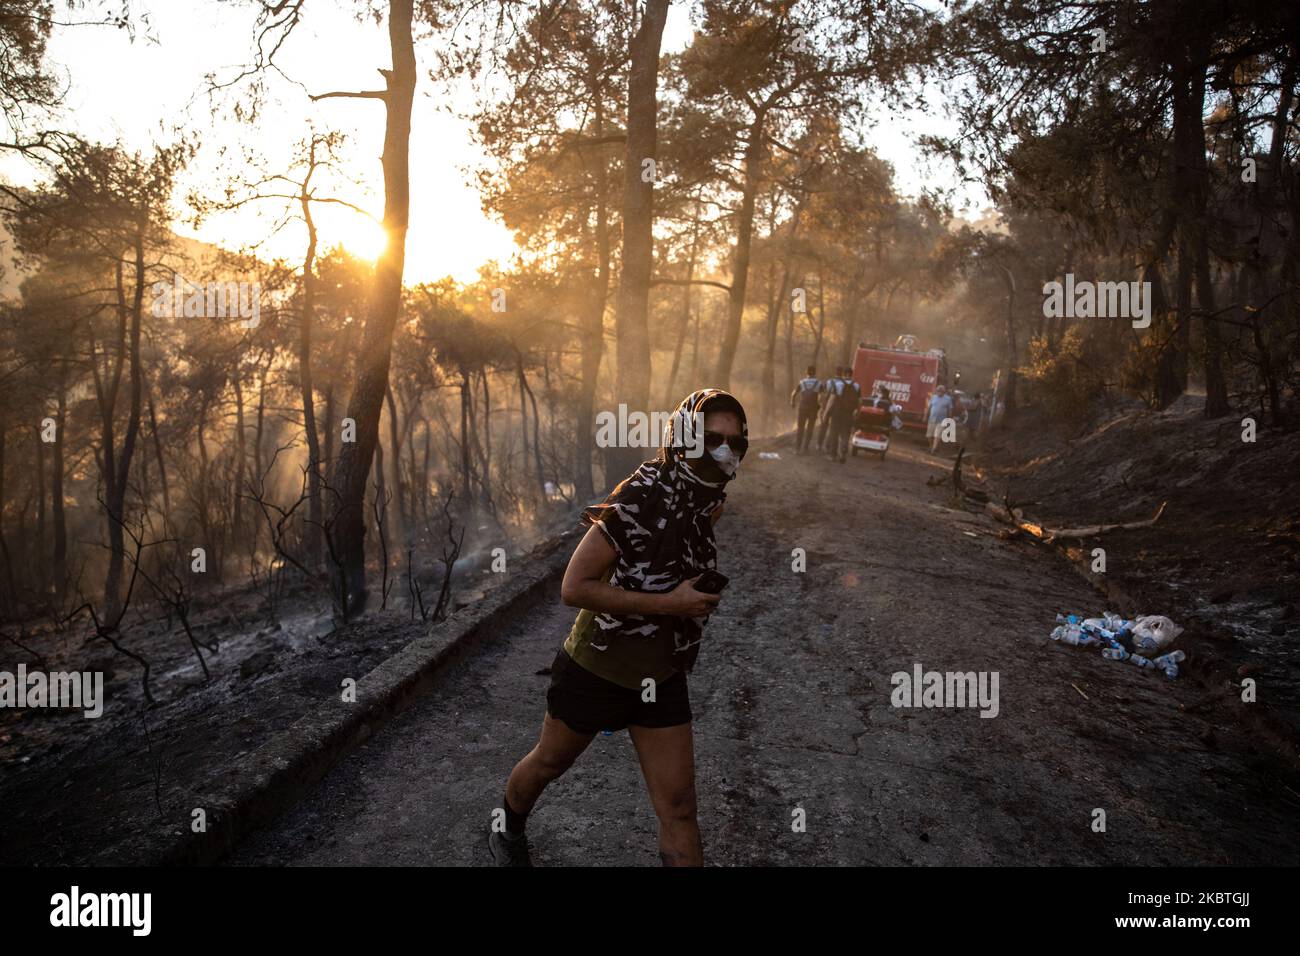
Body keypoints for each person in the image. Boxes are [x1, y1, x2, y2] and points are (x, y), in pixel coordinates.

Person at [488, 388, 748, 867]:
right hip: (597, 666)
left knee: (679, 809)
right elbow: (574, 587)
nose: (724, 453)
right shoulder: (640, 495)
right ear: (684, 438)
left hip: (661, 675)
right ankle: (506, 826)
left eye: (735, 444)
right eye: (712, 439)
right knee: (549, 763)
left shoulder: (702, 501)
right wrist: (672, 604)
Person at [827, 370, 860, 463]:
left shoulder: (838, 384)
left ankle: (833, 456)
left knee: (834, 433)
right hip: (849, 414)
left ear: (844, 374)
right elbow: (860, 401)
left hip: (837, 413)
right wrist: (858, 412)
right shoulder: (856, 386)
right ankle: (843, 452)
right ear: (851, 374)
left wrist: (826, 412)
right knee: (845, 434)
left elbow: (832, 399)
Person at [790, 365, 821, 455]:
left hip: (802, 408)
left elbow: (793, 394)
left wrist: (792, 403)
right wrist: (820, 404)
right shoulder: (818, 383)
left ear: (806, 372)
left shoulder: (802, 382)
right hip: (813, 409)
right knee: (810, 429)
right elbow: (823, 396)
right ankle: (805, 448)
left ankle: (797, 449)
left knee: (800, 429)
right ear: (815, 373)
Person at [816, 366, 844, 451]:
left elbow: (821, 393)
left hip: (826, 406)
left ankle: (819, 444)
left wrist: (821, 404)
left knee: (823, 426)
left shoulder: (829, 381)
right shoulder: (844, 383)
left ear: (835, 372)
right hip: (837, 407)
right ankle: (827, 445)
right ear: (842, 373)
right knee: (833, 428)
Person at [926, 383, 955, 455]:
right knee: (929, 435)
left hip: (942, 420)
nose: (939, 392)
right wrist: (925, 415)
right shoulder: (933, 397)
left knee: (937, 435)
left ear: (944, 392)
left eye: (941, 391)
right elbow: (929, 407)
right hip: (932, 419)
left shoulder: (948, 399)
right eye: (938, 391)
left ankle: (933, 449)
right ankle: (931, 447)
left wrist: (949, 419)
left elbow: (950, 409)